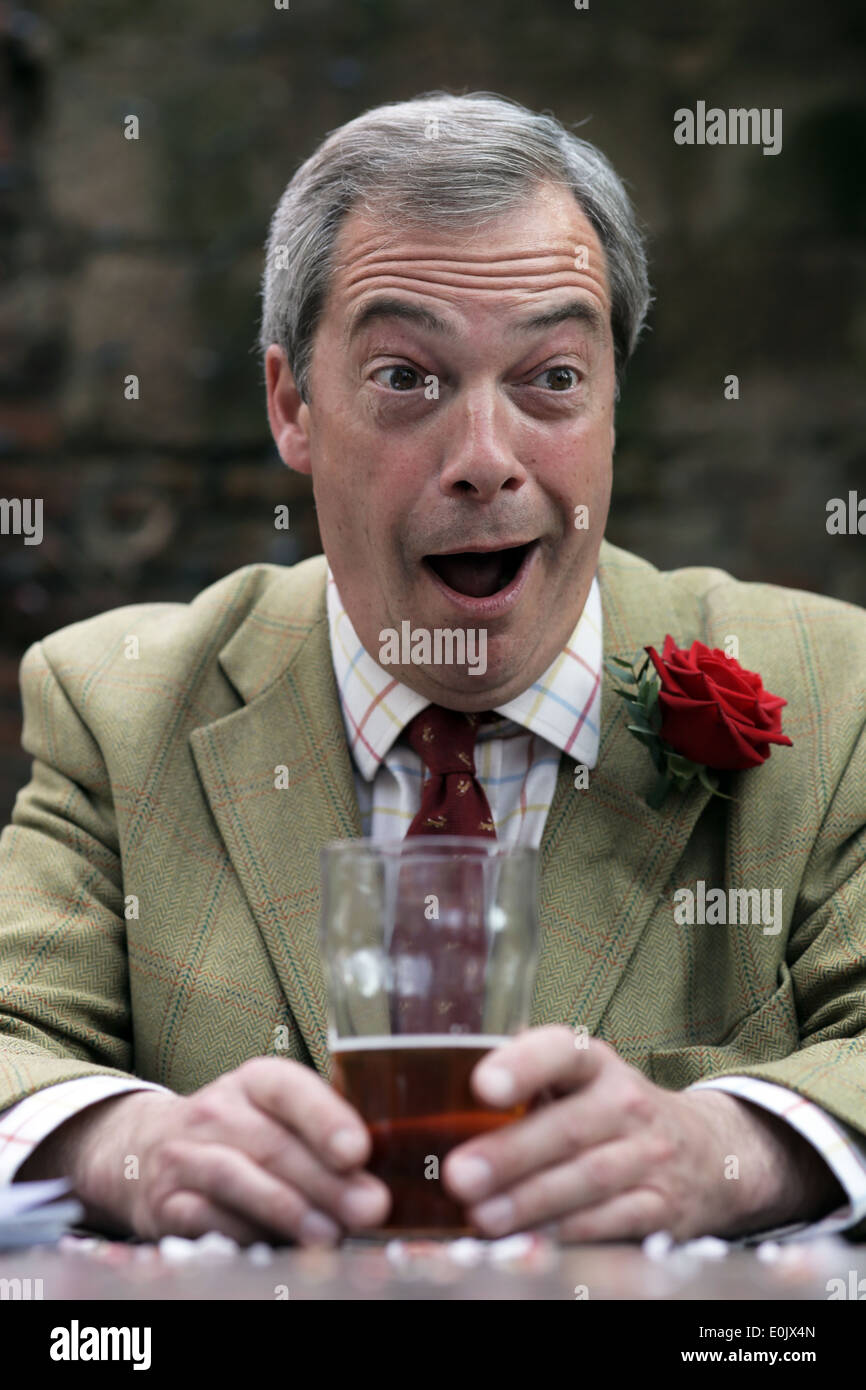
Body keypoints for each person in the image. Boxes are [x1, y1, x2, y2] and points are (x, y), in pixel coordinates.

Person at [1, 91, 864, 1249]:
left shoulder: (831, 689)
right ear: (290, 406)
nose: (484, 462)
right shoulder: (119, 702)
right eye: (407, 378)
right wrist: (133, 1148)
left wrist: (728, 1147)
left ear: (613, 401)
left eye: (550, 378)